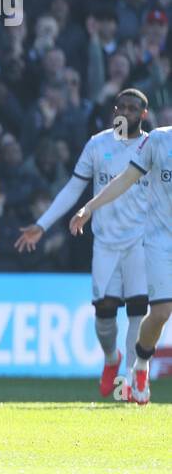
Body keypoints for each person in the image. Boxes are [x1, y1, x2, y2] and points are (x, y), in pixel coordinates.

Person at [14, 89, 152, 396]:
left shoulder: (151, 146)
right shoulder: (98, 144)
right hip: (105, 242)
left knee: (137, 310)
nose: (125, 112)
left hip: (141, 242)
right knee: (104, 313)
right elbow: (73, 189)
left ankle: (130, 380)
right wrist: (42, 224)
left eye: (132, 109)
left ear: (143, 115)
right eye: (121, 107)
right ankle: (110, 358)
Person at [70, 123, 172, 405]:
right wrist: (90, 207)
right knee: (162, 312)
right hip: (160, 241)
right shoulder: (158, 140)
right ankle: (141, 363)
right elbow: (125, 178)